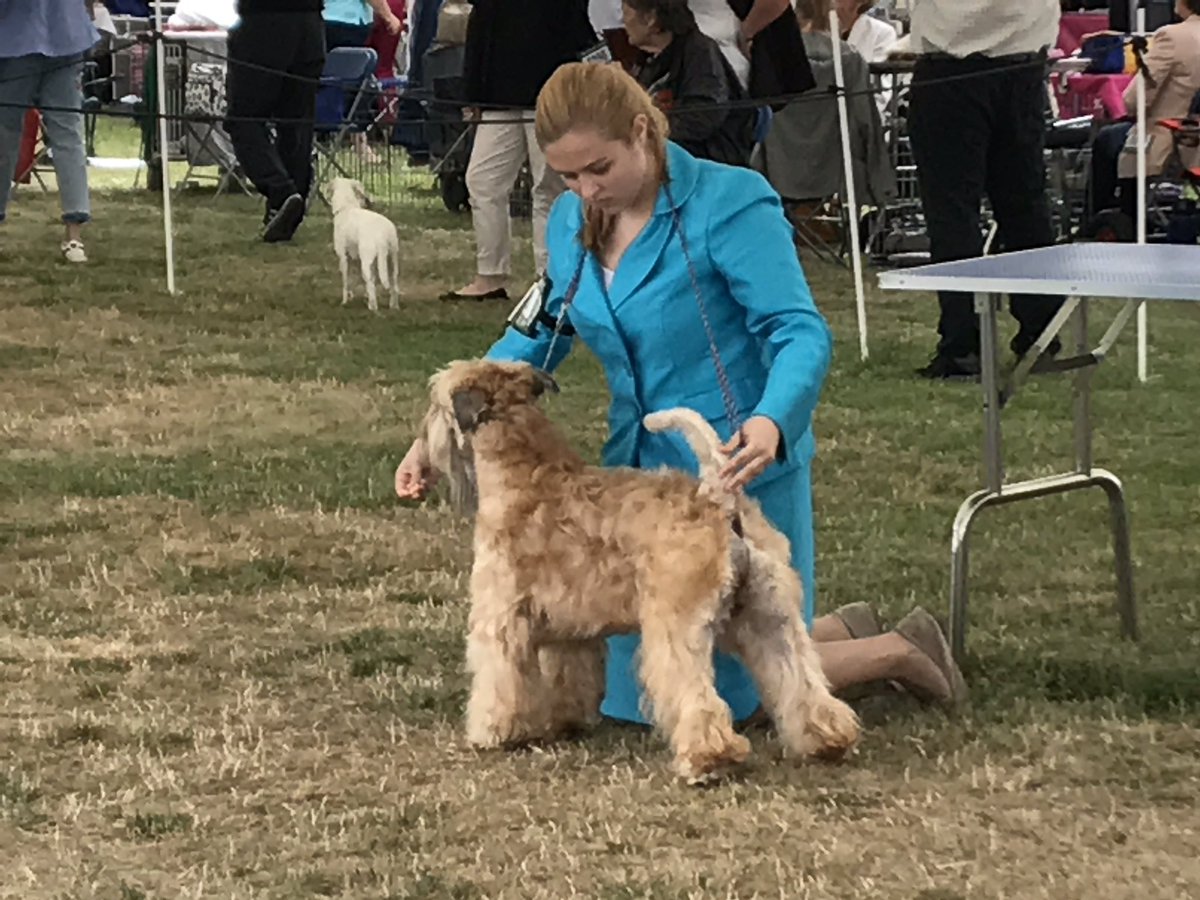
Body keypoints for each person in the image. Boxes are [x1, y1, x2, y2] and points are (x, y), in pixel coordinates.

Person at [397, 62, 967, 722]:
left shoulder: (733, 204)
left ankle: (900, 649)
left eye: (599, 168)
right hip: (635, 481)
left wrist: (773, 421)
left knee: (737, 680)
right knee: (639, 692)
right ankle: (838, 627)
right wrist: (433, 434)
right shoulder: (572, 223)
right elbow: (538, 331)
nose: (586, 190)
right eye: (568, 177)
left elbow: (798, 331)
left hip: (738, 459)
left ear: (642, 131)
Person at [906, 0, 1066, 380]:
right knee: (1025, 207)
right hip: (1021, 65)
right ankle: (1042, 335)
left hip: (953, 67)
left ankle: (962, 346)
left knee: (953, 213)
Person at [441, 0, 596, 301]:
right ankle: (490, 275)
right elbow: (480, 26)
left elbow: (576, 30)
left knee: (549, 189)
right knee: (482, 182)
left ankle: (549, 278)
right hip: (497, 98)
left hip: (550, 95)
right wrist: (472, 94)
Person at [0, 0, 99, 263]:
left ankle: (75, 233)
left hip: (16, 39)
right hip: (66, 32)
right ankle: (74, 235)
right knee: (67, 133)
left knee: (5, 133)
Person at [225, 0, 326, 243]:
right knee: (297, 120)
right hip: (310, 23)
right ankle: (290, 203)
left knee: (244, 119)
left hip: (263, 21)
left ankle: (280, 192)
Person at [1089, 0, 1200, 220]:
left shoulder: (1172, 37)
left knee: (1105, 138)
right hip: (1192, 135)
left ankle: (1110, 218)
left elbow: (1135, 99)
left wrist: (1128, 108)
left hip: (1172, 135)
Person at [623, 0, 757, 166]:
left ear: (650, 19)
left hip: (707, 162)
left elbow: (703, 118)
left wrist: (647, 130)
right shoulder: (648, 59)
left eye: (626, 13)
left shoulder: (700, 53)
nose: (623, 21)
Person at [324, 0, 403, 164]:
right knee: (356, 85)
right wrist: (388, 16)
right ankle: (361, 145)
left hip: (324, 18)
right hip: (349, 22)